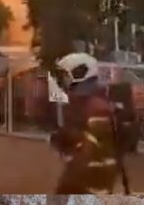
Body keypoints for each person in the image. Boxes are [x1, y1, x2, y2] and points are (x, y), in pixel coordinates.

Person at [50, 52, 122, 193]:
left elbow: (95, 148)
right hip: (86, 178)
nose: (63, 81)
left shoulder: (96, 107)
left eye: (65, 76)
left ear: (79, 74)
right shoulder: (86, 103)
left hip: (90, 182)